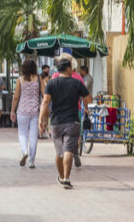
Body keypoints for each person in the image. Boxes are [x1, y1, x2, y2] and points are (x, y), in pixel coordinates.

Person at [39, 58, 91, 189]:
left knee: (59, 152)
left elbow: (45, 102)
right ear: (68, 69)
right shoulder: (77, 83)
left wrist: (41, 119)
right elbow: (88, 99)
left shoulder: (51, 83)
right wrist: (85, 103)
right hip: (72, 121)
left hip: (56, 122)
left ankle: (61, 177)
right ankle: (66, 179)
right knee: (69, 150)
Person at [10, 59, 45, 168]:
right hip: (35, 111)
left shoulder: (20, 80)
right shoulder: (39, 79)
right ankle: (31, 161)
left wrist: (12, 110)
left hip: (22, 110)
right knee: (33, 136)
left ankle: (25, 151)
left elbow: (16, 97)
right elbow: (45, 95)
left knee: (22, 133)